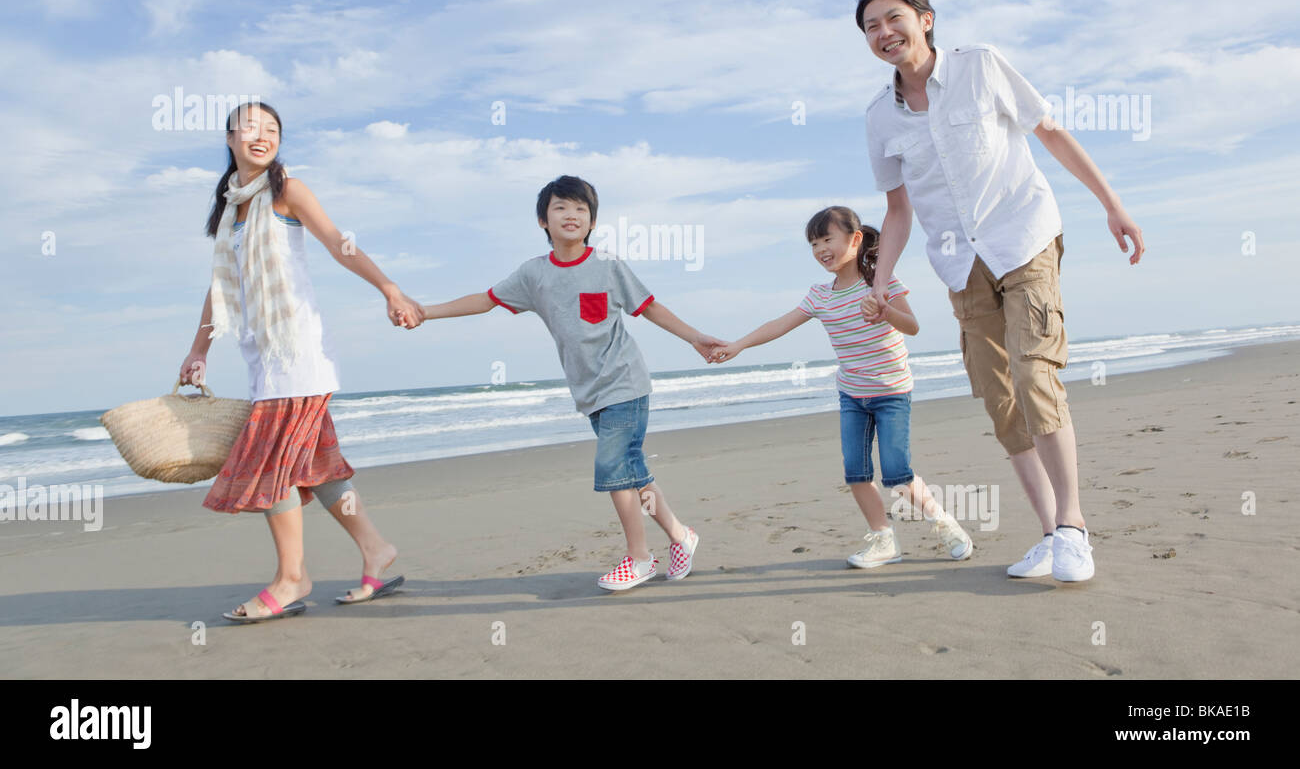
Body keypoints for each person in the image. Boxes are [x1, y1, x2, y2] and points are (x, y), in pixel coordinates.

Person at [856, 0, 1146, 582]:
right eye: (871, 27)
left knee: (1034, 371)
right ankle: (1049, 535)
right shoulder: (881, 117)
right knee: (999, 398)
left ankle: (1073, 529)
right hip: (959, 264)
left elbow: (1050, 132)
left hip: (1023, 237)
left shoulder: (980, 66)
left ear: (925, 18)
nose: (885, 32)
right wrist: (881, 279)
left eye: (893, 18)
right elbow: (898, 211)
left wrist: (1112, 205)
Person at [414, 175, 723, 591]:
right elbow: (486, 299)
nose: (571, 215)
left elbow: (650, 308)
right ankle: (681, 535)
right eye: (561, 207)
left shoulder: (608, 266)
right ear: (543, 220)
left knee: (613, 469)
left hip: (625, 383)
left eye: (581, 209)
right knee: (634, 473)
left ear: (592, 220)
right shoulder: (533, 275)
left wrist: (695, 337)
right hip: (589, 393)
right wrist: (426, 312)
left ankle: (640, 558)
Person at [178, 102, 422, 622]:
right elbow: (225, 286)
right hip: (262, 358)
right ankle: (376, 551)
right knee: (314, 466)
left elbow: (338, 243)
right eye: (250, 128)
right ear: (229, 139)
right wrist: (199, 348)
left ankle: (292, 579)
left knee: (272, 465)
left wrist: (388, 287)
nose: (261, 136)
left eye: (272, 130)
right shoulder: (229, 209)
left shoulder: (286, 190)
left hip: (298, 355)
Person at [708, 206, 973, 567]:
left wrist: (884, 311)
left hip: (892, 391)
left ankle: (943, 524)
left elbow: (912, 326)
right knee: (856, 472)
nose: (820, 249)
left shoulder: (881, 282)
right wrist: (738, 345)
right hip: (852, 395)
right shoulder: (820, 295)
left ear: (855, 239)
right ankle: (883, 540)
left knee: (897, 472)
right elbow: (779, 324)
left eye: (827, 239)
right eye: (814, 244)